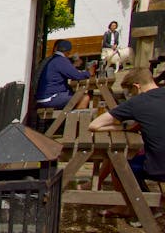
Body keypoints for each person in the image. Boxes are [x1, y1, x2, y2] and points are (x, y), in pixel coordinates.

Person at [88, 68, 165, 220]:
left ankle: (130, 207)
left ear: (137, 86)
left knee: (119, 164)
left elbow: (94, 125)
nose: (130, 96)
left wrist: (124, 127)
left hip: (159, 167)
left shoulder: (138, 102)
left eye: (131, 92)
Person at [34, 40, 92, 109]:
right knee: (84, 97)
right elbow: (77, 76)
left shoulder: (53, 59)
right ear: (68, 52)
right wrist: (89, 73)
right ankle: (73, 119)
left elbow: (69, 72)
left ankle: (68, 118)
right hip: (50, 97)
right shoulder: (60, 60)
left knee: (76, 95)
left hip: (43, 96)